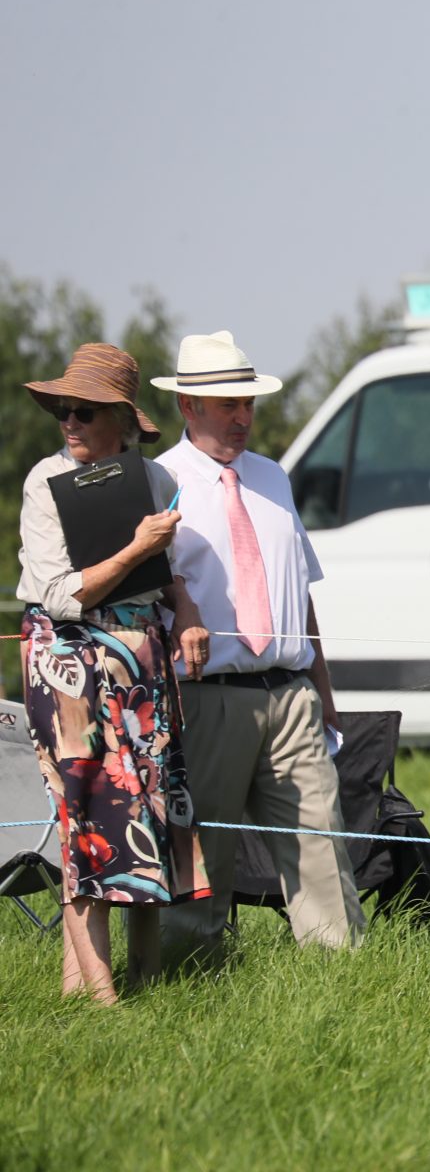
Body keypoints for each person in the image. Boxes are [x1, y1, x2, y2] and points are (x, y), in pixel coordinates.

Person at [150, 330, 365, 963]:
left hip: (291, 692)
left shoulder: (274, 479)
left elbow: (301, 594)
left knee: (322, 844)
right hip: (207, 696)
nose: (243, 416)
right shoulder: (160, 482)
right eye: (227, 405)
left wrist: (322, 692)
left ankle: (343, 976)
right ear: (189, 406)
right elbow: (149, 591)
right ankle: (188, 977)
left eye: (248, 403)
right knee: (203, 853)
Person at [17, 343, 213, 1002]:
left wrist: (186, 611)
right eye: (64, 411)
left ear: (124, 425)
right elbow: (62, 596)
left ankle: (129, 981)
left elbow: (169, 575)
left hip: (140, 663)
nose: (69, 422)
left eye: (85, 412)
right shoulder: (44, 483)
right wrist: (138, 549)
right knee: (84, 816)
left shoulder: (154, 481)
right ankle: (104, 999)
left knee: (148, 812)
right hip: (66, 666)